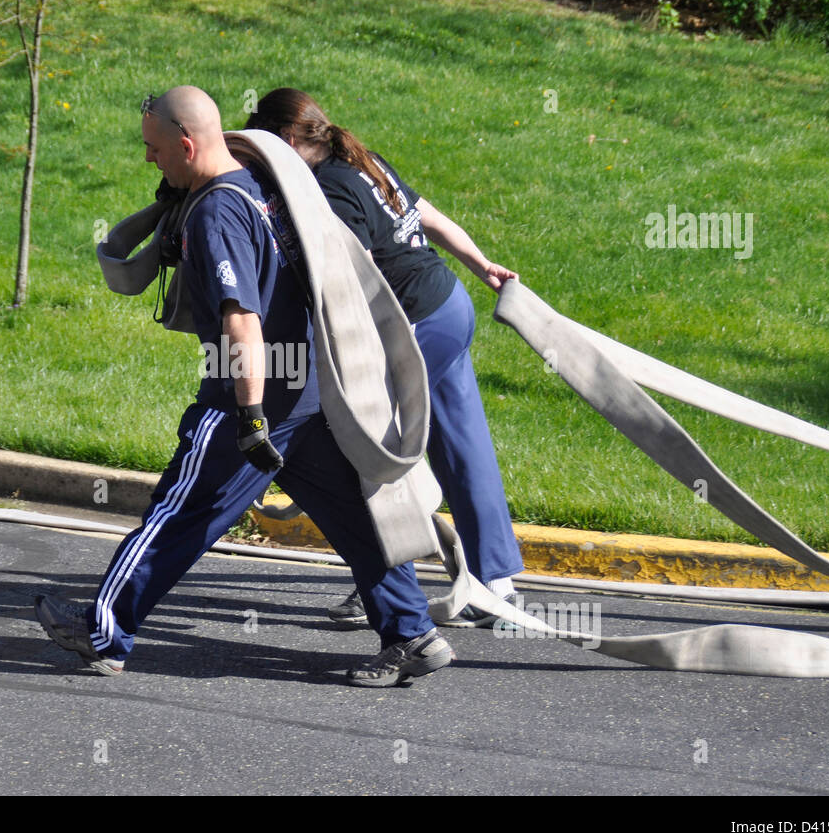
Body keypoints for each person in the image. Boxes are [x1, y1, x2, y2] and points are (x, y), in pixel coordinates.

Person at [34, 85, 453, 686]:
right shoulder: (267, 187)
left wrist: (249, 414)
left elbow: (241, 319)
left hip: (255, 395)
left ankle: (102, 631)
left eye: (154, 149)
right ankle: (412, 633)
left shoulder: (216, 212)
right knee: (356, 518)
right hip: (309, 393)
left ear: (185, 143)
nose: (149, 160)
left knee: (179, 513)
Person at [246, 88, 525, 628]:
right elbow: (428, 216)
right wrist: (480, 264)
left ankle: (385, 578)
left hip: (416, 326)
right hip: (450, 305)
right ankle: (496, 584)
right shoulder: (360, 157)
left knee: (366, 451)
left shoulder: (328, 187)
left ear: (283, 141)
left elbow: (358, 276)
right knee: (462, 442)